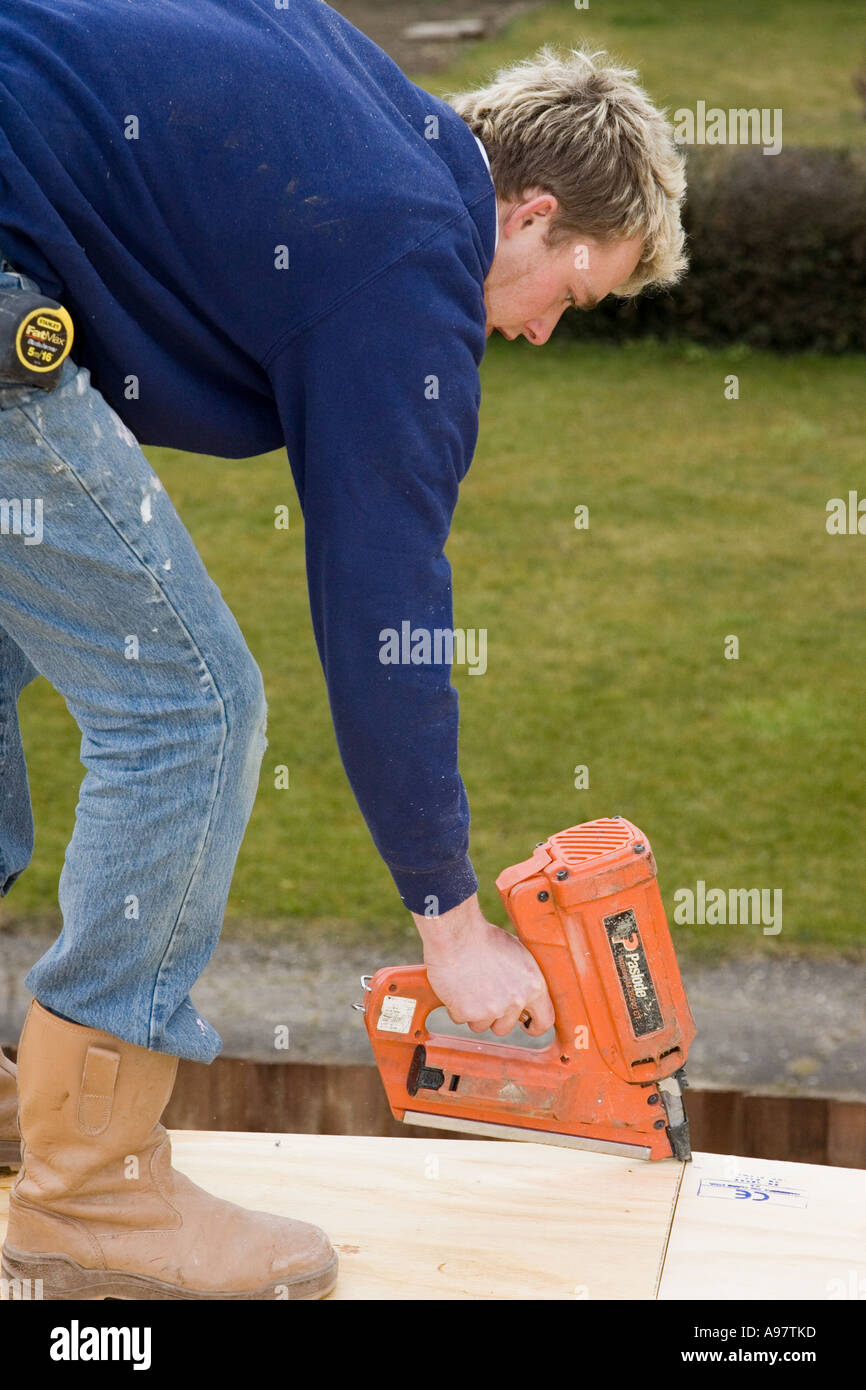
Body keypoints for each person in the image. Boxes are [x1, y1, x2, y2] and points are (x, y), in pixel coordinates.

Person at [0, 0, 686, 1299]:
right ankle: (89, 1190)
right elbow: (387, 606)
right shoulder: (410, 258)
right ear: (533, 213)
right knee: (190, 711)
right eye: (572, 291)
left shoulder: (365, 114)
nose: (543, 331)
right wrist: (449, 919)